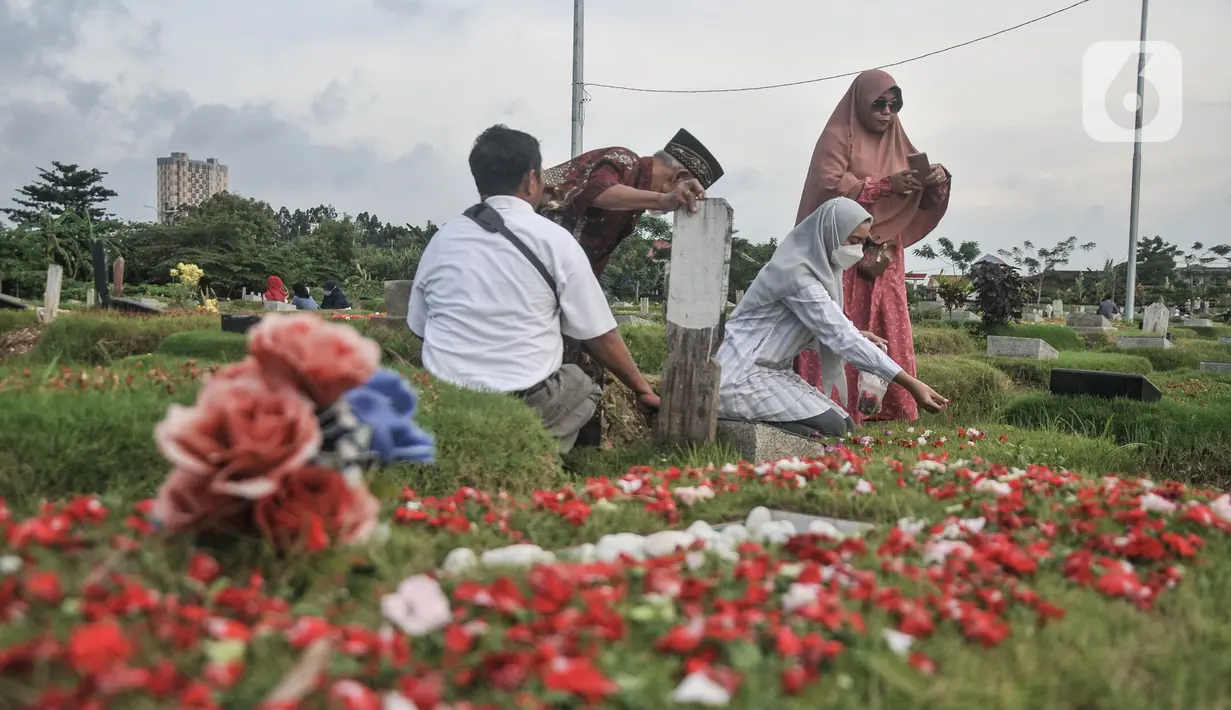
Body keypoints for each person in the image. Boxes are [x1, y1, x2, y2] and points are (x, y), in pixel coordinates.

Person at [408, 124, 659, 453]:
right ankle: (541, 454)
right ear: (531, 180)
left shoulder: (442, 240)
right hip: (526, 399)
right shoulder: (555, 240)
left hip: (449, 397)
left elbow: (419, 326)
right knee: (582, 384)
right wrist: (642, 389)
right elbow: (600, 335)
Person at [538, 129, 724, 446]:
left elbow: (589, 280)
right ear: (678, 177)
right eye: (685, 193)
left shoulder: (632, 208)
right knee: (560, 370)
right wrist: (662, 200)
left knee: (586, 367)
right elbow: (596, 191)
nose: (673, 207)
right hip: (531, 276)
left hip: (561, 290)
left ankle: (577, 458)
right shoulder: (624, 161)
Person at [793, 69, 951, 425]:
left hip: (886, 253)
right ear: (861, 103)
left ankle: (890, 407)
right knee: (841, 320)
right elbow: (829, 183)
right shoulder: (839, 135)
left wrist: (935, 179)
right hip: (844, 248)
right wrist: (884, 185)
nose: (886, 112)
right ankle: (830, 405)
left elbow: (920, 199)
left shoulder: (899, 141)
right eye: (879, 104)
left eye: (894, 105)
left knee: (887, 322)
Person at [717, 197, 947, 437]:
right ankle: (732, 430)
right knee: (831, 430)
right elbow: (841, 336)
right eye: (853, 240)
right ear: (830, 233)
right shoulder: (796, 273)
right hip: (740, 375)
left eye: (862, 242)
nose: (857, 250)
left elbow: (811, 328)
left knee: (845, 425)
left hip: (771, 372)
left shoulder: (815, 271)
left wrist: (859, 334)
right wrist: (911, 383)